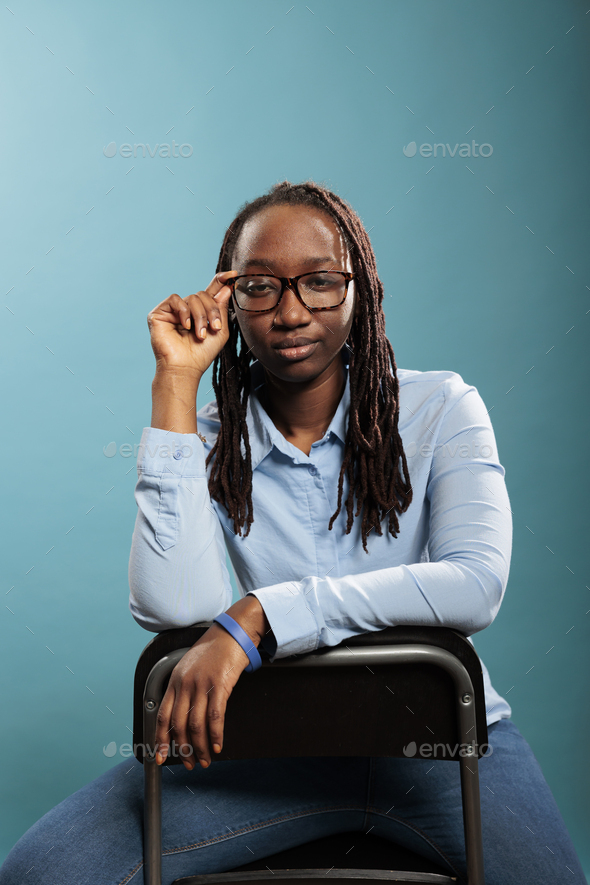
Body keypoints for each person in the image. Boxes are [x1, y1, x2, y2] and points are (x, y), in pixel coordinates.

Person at [0, 180, 585, 884]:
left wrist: (262, 614)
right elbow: (174, 607)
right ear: (230, 299)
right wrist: (175, 383)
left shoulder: (442, 408)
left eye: (319, 282)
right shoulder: (207, 439)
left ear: (359, 289)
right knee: (41, 871)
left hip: (431, 744)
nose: (290, 311)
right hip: (267, 750)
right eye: (260, 287)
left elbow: (475, 584)